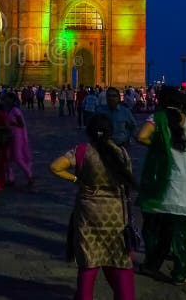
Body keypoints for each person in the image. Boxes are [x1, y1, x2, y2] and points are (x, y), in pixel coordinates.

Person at [136, 86, 186, 285]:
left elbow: (141, 137)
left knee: (158, 228)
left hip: (168, 182)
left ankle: (152, 264)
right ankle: (181, 274)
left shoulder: (158, 118)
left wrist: (160, 145)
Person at [49, 114, 136, 300]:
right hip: (116, 217)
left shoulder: (82, 151)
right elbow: (127, 183)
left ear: (89, 132)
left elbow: (55, 167)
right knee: (120, 261)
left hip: (88, 216)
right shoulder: (122, 153)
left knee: (89, 264)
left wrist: (76, 179)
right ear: (110, 132)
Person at [3, 92, 33, 187]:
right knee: (8, 158)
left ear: (12, 99)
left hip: (17, 136)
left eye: (7, 98)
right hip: (11, 135)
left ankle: (29, 175)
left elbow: (21, 124)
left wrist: (10, 124)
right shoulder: (9, 110)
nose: (5, 100)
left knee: (17, 157)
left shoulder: (15, 110)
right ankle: (10, 178)